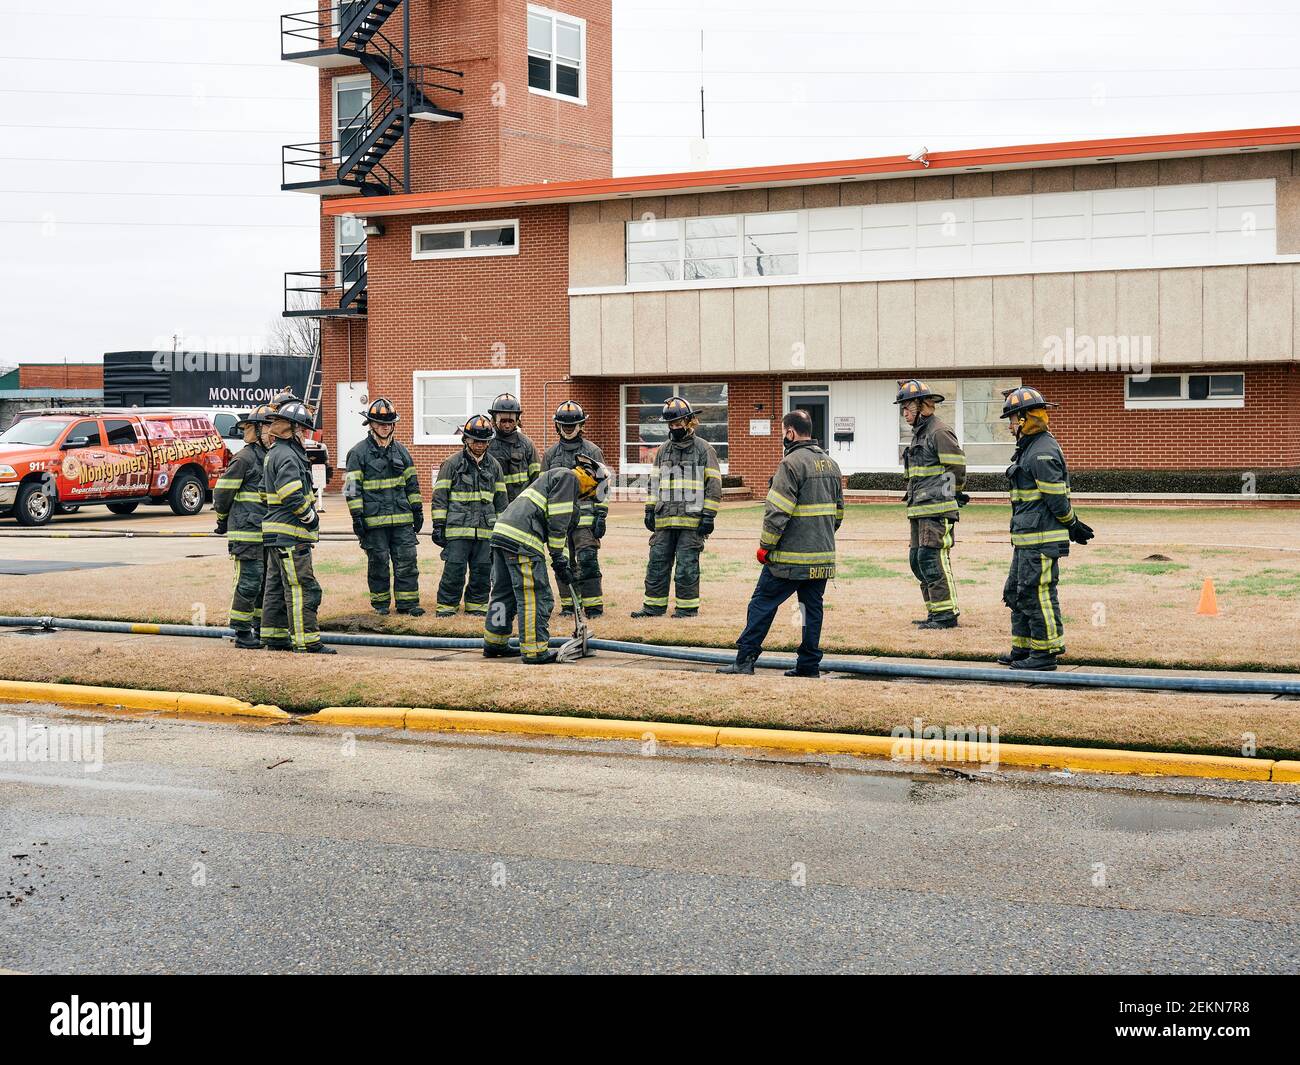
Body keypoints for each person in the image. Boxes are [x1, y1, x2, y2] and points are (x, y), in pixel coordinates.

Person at [718, 410, 843, 678]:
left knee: (762, 604)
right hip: (821, 558)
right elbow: (839, 513)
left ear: (790, 433)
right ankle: (808, 666)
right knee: (809, 609)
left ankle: (745, 660)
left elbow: (777, 512)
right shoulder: (831, 464)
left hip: (788, 558)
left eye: (783, 432)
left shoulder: (790, 464)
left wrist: (766, 546)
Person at [998, 386, 1094, 671]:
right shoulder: (1030, 448)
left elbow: (1056, 499)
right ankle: (1023, 648)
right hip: (1026, 538)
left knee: (1036, 592)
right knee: (1016, 592)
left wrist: (1073, 524)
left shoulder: (1041, 452)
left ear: (1027, 418)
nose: (1010, 426)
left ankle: (1045, 653)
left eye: (1013, 420)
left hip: (1040, 540)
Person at [484, 453, 608, 665]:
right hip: (523, 540)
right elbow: (558, 522)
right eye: (589, 495)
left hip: (502, 535)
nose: (586, 498)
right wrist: (558, 556)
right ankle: (535, 651)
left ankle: (495, 643)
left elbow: (562, 533)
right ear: (592, 482)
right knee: (536, 596)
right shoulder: (570, 479)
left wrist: (564, 564)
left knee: (503, 593)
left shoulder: (558, 477)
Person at [632, 395, 722, 618]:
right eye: (671, 423)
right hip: (664, 519)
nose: (675, 427)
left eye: (678, 422)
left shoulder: (704, 450)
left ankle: (687, 608)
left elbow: (713, 485)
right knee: (657, 564)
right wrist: (649, 509)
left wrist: (709, 515)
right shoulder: (663, 450)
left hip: (691, 521)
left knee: (686, 567)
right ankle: (653, 607)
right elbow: (654, 482)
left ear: (690, 421)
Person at [261, 400, 335, 654]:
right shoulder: (289, 455)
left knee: (276, 587)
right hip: (292, 535)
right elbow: (290, 493)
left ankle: (275, 637)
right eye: (302, 430)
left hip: (276, 535)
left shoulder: (274, 453)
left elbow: (264, 492)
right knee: (303, 587)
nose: (305, 435)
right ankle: (307, 641)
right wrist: (309, 516)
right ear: (290, 429)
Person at [895, 379, 968, 630]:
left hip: (937, 509)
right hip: (919, 510)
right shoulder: (920, 434)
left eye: (907, 407)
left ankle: (947, 615)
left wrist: (952, 495)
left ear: (922, 405)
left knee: (932, 558)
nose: (904, 413)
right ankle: (934, 612)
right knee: (917, 559)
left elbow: (956, 467)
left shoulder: (939, 431)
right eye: (902, 408)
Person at [344, 397, 424, 617]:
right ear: (370, 424)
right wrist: (357, 516)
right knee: (378, 563)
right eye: (380, 423)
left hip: (402, 520)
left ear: (394, 425)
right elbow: (351, 489)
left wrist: (417, 510)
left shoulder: (402, 451)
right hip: (373, 521)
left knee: (407, 561)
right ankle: (380, 605)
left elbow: (412, 484)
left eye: (388, 423)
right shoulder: (357, 453)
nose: (384, 427)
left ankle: (408, 604)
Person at [429, 414, 507, 617]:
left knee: (482, 572)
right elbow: (440, 496)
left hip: (485, 531)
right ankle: (446, 609)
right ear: (466, 439)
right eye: (475, 440)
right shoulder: (452, 464)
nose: (480, 445)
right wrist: (438, 525)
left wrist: (502, 531)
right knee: (454, 571)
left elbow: (501, 501)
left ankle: (477, 608)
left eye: (484, 441)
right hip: (457, 530)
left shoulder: (495, 467)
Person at [542, 400, 608, 616]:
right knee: (562, 562)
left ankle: (593, 606)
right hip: (559, 521)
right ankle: (570, 606)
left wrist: (601, 514)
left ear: (581, 425)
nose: (568, 429)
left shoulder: (593, 451)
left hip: (586, 520)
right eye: (564, 425)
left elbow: (603, 485)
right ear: (558, 426)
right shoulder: (550, 454)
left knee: (588, 560)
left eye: (573, 425)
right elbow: (543, 487)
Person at [213, 407, 270, 649]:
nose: (272, 432)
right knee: (249, 581)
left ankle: (257, 626)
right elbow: (222, 492)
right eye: (268, 428)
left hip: (266, 532)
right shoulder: (245, 458)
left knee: (264, 582)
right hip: (247, 533)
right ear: (257, 431)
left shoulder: (270, 455)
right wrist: (222, 519)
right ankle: (242, 631)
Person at [485, 393, 540, 504]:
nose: (507, 425)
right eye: (503, 421)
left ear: (517, 421)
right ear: (494, 420)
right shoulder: (487, 445)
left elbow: (537, 479)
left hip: (521, 506)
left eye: (510, 421)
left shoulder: (526, 444)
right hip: (495, 505)